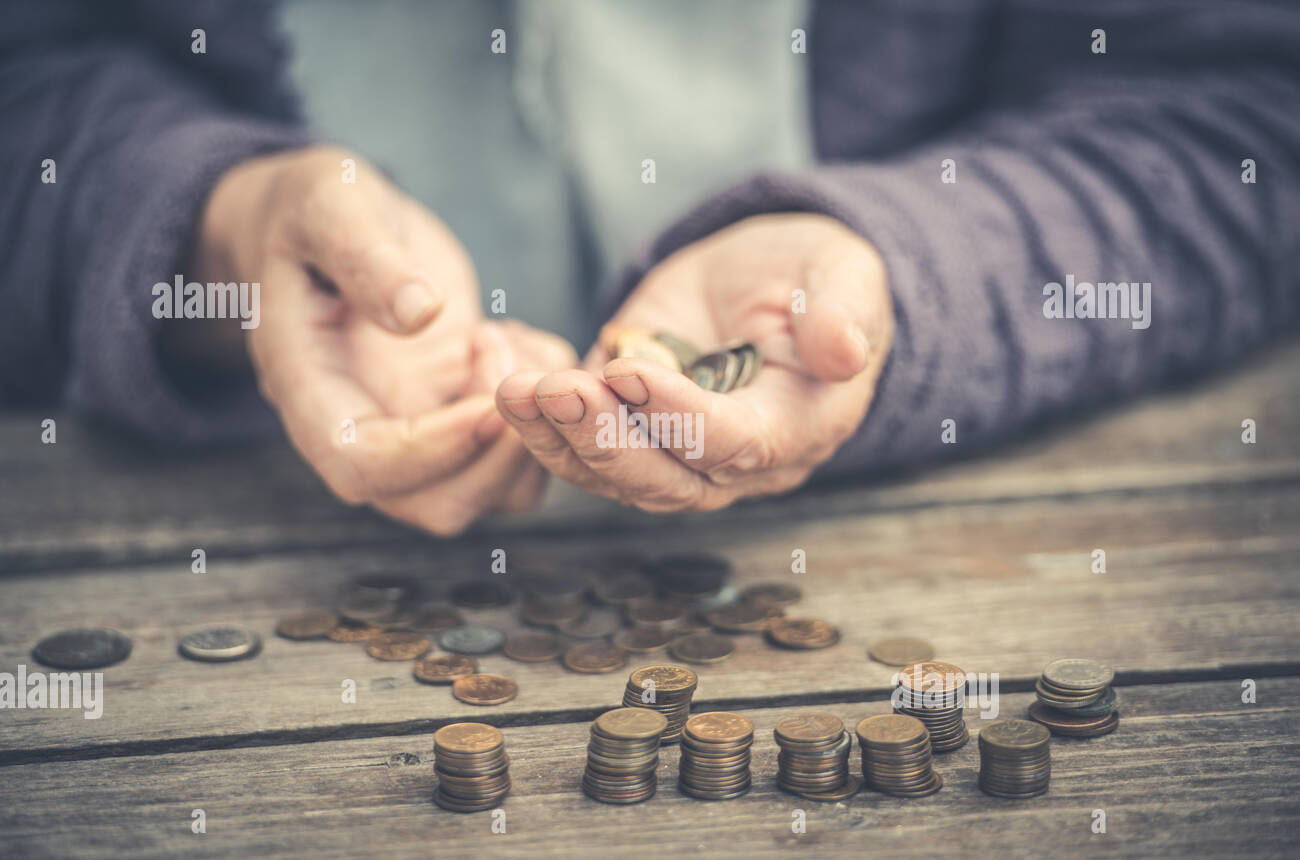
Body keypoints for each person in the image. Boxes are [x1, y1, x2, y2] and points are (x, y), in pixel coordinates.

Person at [2, 0, 1297, 537]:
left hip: (914, 522)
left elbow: (1246, 110)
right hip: (217, 509)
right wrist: (219, 238)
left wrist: (903, 270)